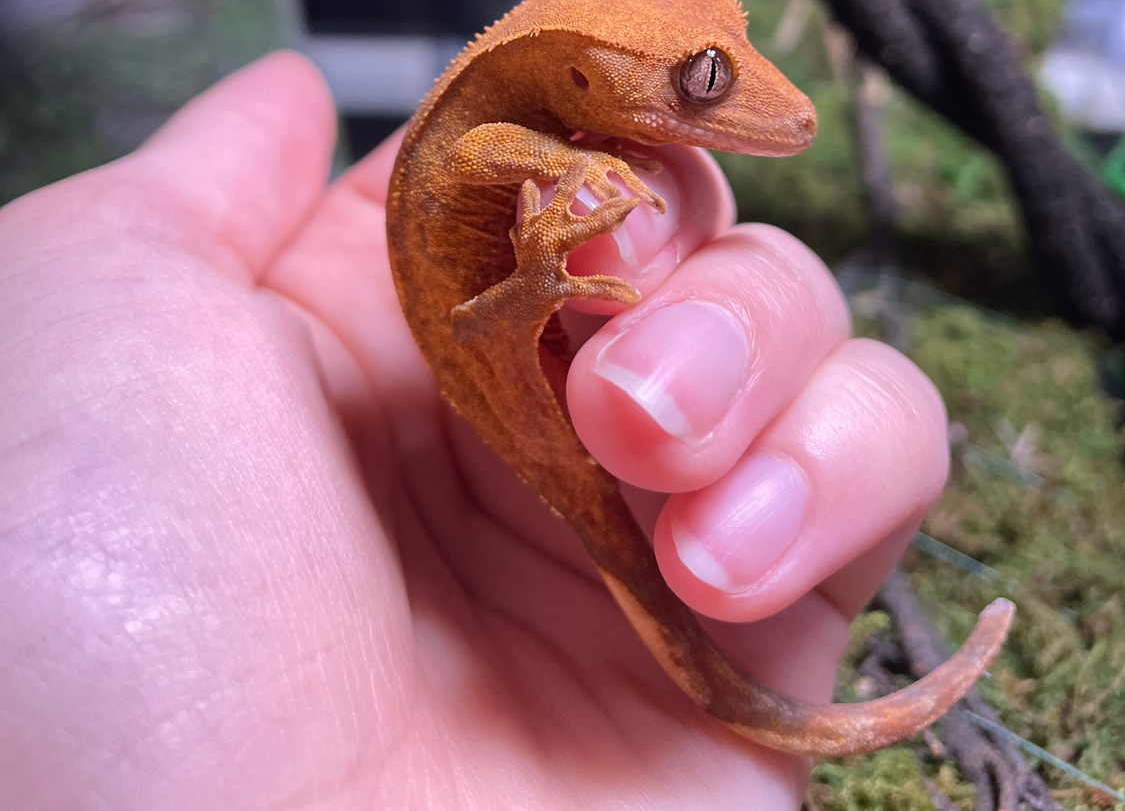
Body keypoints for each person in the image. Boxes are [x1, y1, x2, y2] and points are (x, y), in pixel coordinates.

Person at [0, 52, 949, 809]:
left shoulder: (528, 118)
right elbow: (476, 160)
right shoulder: (497, 134)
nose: (772, 109)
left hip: (514, 390)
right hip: (481, 336)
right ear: (579, 74)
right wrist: (551, 226)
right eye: (703, 83)